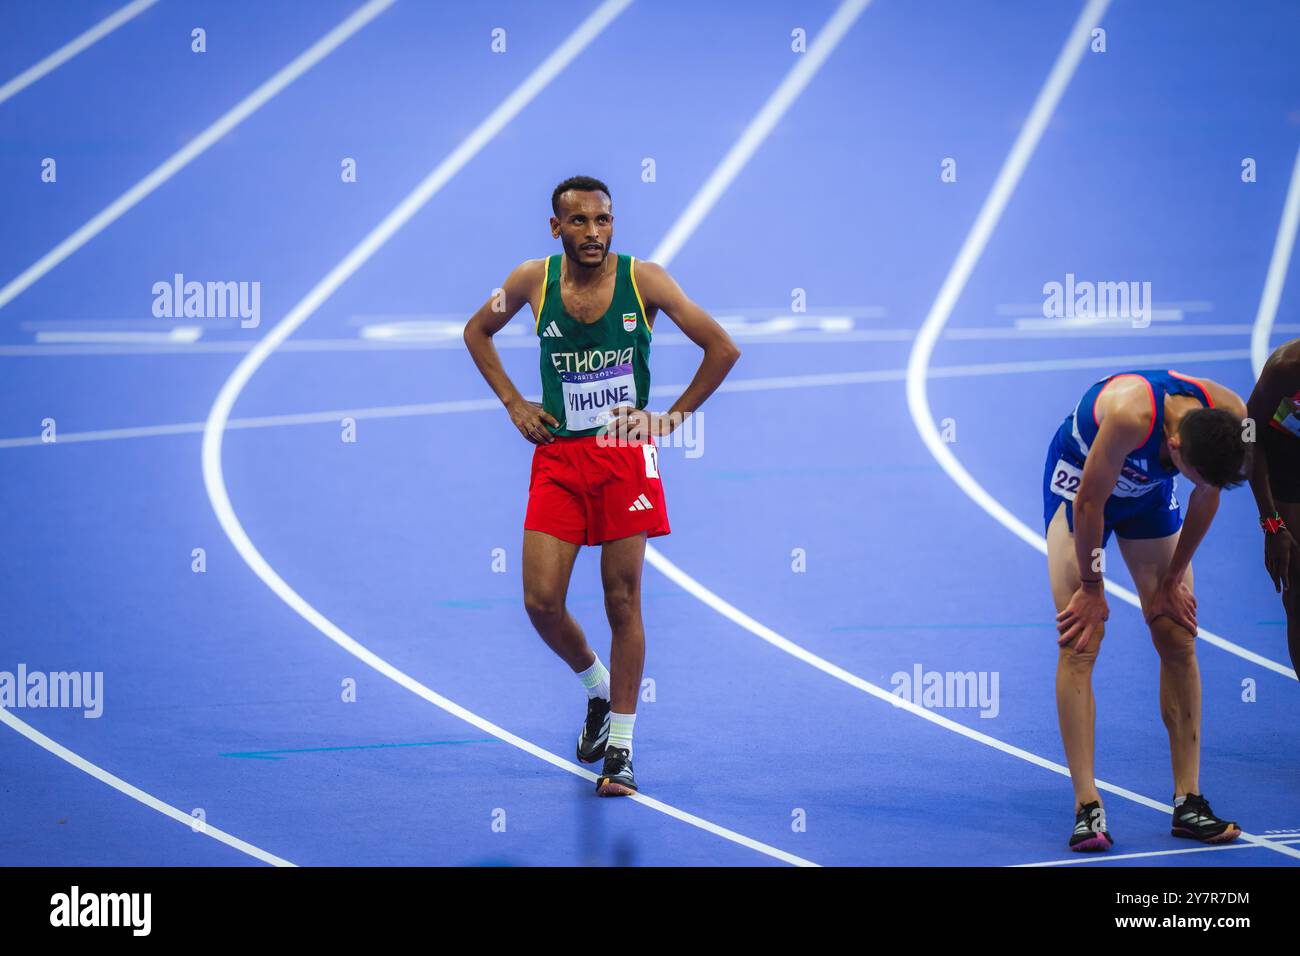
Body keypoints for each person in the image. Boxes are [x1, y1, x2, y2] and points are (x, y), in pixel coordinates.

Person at [463, 175, 740, 796]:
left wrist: (667, 419)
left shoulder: (648, 281)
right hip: (559, 457)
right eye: (580, 222)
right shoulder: (530, 282)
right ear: (556, 228)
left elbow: (722, 349)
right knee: (540, 602)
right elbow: (476, 332)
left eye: (604, 220)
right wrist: (513, 403)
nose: (594, 233)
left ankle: (620, 748)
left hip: (622, 457)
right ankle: (594, 689)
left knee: (622, 600)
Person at [1043, 369, 1248, 850]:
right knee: (1082, 638)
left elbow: (1207, 494)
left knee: (1176, 630)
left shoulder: (1228, 417)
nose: (1200, 484)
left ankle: (1189, 801)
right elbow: (1090, 505)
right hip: (1082, 484)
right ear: (1174, 447)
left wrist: (1173, 580)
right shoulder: (1128, 414)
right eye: (1191, 475)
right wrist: (1093, 586)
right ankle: (1087, 806)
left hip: (1146, 496)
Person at [1246, 338, 1300, 673]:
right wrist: (1272, 523)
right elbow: (1247, 432)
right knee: (1296, 589)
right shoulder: (1286, 368)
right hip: (1289, 456)